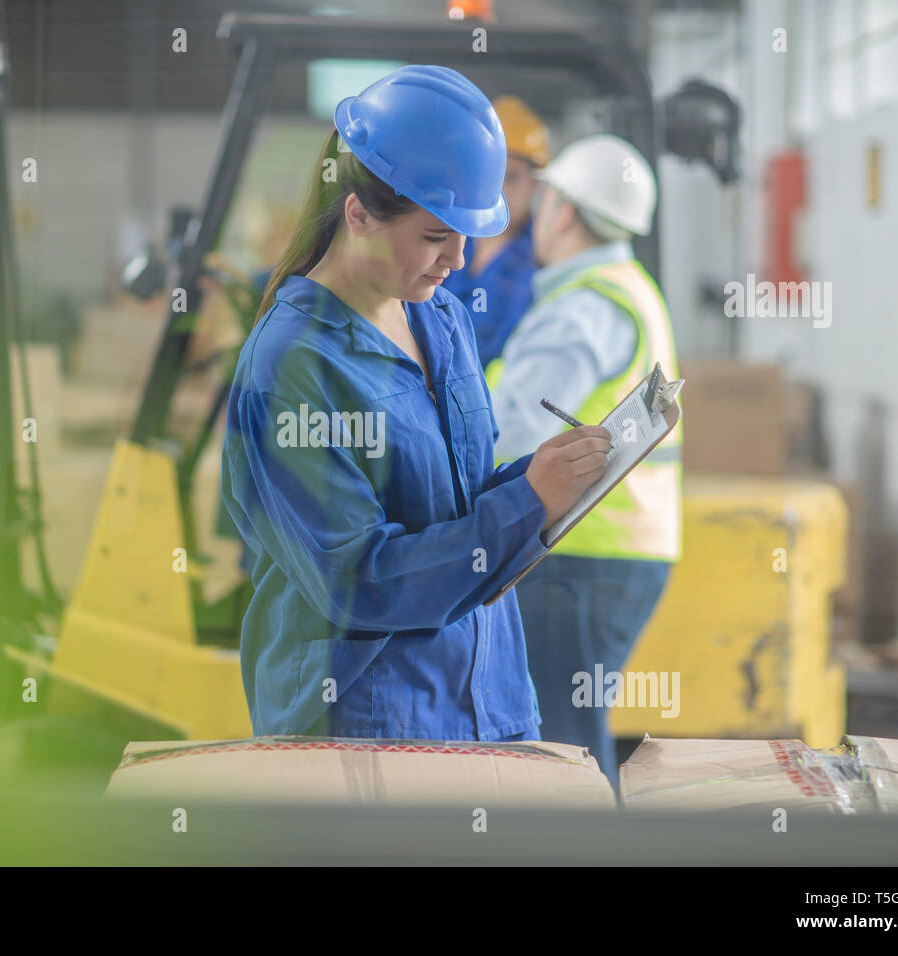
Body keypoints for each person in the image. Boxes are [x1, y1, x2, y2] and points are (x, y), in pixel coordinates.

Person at [220, 65, 613, 742]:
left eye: (469, 235)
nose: (458, 260)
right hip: (372, 721)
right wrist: (525, 506)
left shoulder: (442, 320)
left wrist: (544, 484)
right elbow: (357, 582)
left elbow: (452, 508)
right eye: (436, 237)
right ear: (359, 215)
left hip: (486, 700)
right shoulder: (293, 367)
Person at [486, 134, 683, 787]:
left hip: (580, 553)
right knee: (570, 734)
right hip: (618, 552)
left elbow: (516, 428)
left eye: (542, 200)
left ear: (564, 211)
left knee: (560, 747)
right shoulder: (628, 288)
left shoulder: (581, 307)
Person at [442, 95, 550, 369]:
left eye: (510, 176)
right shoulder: (442, 237)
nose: (497, 191)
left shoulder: (545, 259)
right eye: (488, 174)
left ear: (535, 183)